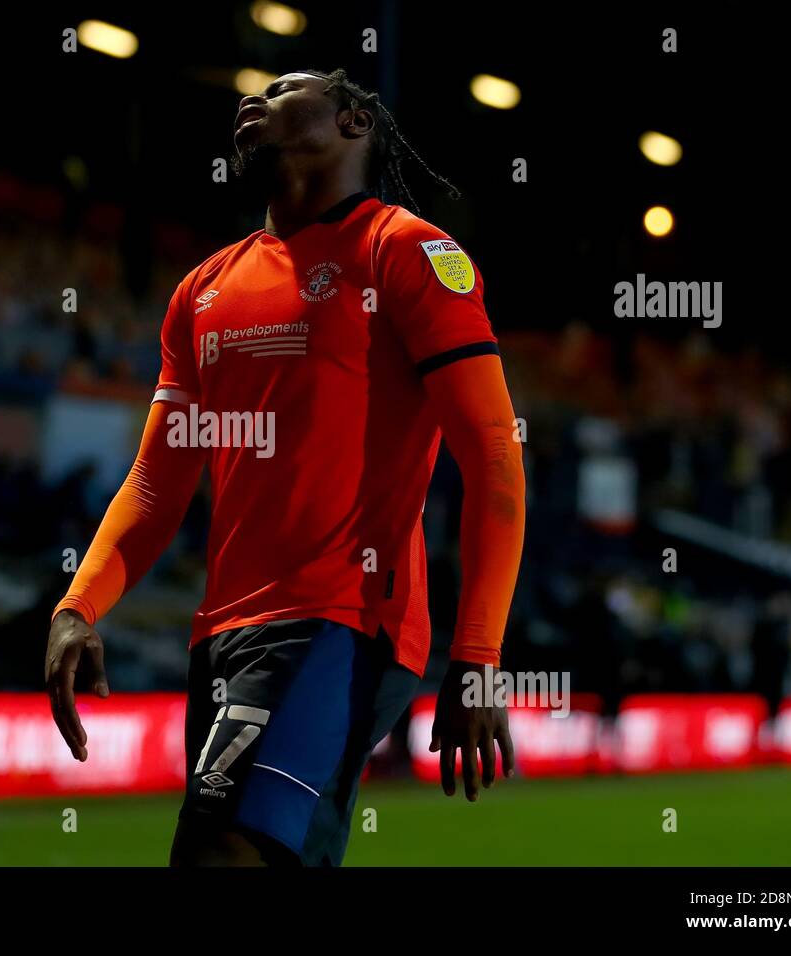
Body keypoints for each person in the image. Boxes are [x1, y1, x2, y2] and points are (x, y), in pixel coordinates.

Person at [46, 69, 525, 866]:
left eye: (281, 89)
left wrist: (478, 656)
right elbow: (157, 481)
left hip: (342, 619)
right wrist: (78, 606)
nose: (252, 101)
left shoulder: (407, 251)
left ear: (352, 122)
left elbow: (494, 460)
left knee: (220, 850)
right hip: (224, 633)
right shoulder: (202, 288)